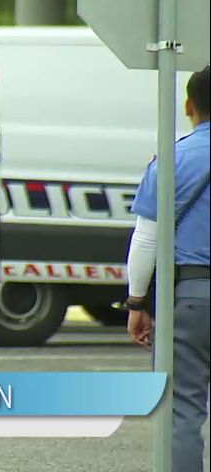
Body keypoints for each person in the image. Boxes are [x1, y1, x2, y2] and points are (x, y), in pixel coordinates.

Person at [126, 65, 210, 472]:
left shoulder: (172, 160)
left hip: (190, 298)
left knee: (183, 409)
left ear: (189, 105)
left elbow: (146, 241)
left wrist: (137, 302)